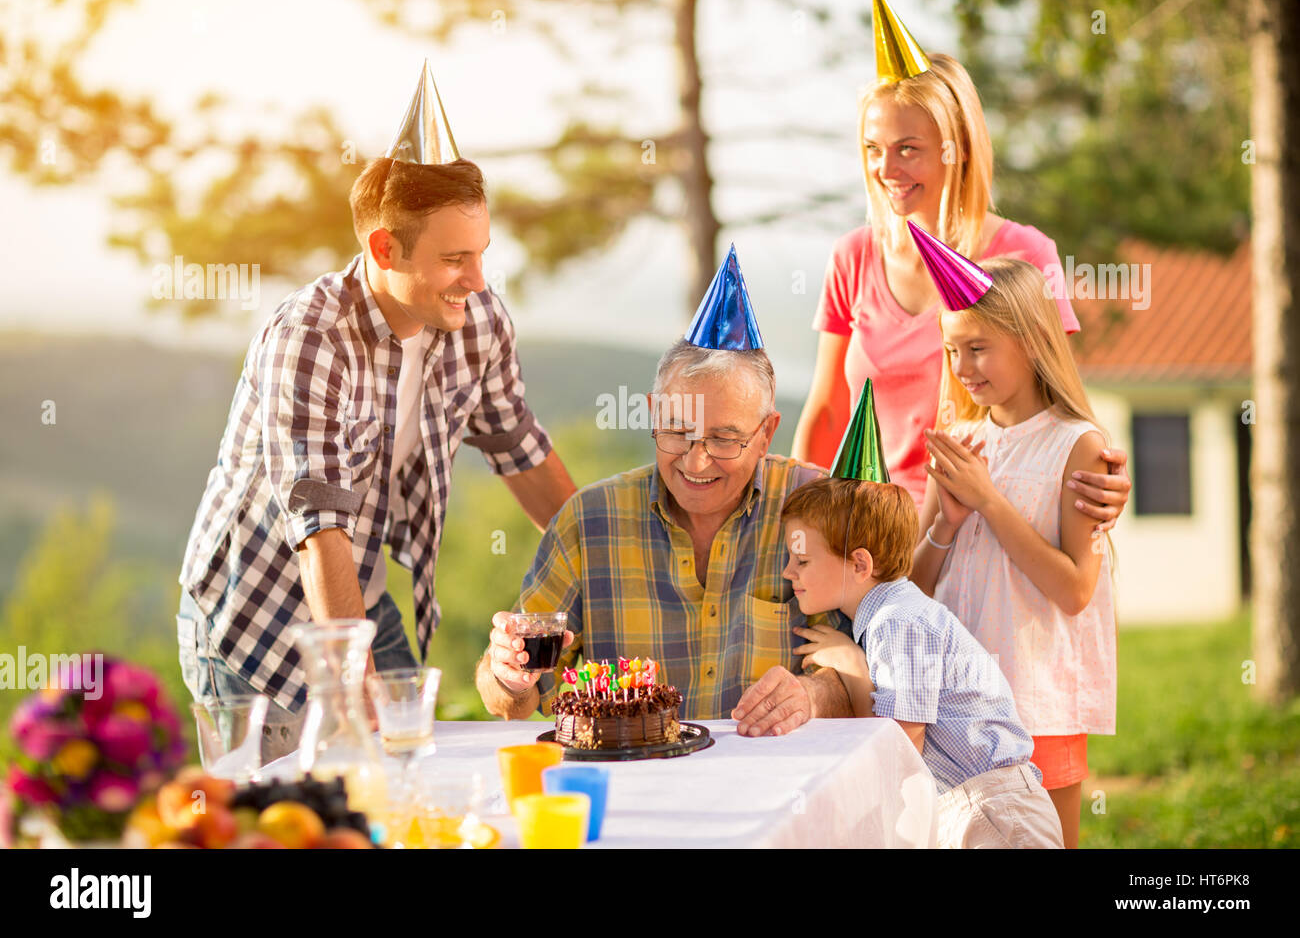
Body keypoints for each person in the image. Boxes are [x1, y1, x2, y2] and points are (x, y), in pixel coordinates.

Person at [177, 63, 576, 759]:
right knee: (289, 819)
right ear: (383, 248)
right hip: (253, 619)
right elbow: (319, 528)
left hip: (357, 593)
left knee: (412, 775)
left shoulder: (477, 320)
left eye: (482, 255)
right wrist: (349, 689)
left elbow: (522, 451)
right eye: (456, 259)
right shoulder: (309, 336)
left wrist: (603, 560)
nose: (478, 281)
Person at [790, 0, 1131, 528]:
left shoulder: (1023, 253)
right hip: (876, 544)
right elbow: (827, 411)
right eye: (874, 149)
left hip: (988, 530)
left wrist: (1103, 478)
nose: (886, 168)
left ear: (958, 148)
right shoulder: (853, 257)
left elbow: (1062, 405)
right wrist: (799, 526)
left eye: (908, 148)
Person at [476, 248, 854, 734]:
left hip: (783, 783)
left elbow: (874, 674)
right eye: (677, 431)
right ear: (653, 411)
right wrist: (508, 674)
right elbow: (510, 700)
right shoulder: (589, 521)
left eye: (723, 438)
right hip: (634, 788)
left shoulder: (818, 506)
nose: (696, 462)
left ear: (766, 433)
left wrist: (814, 694)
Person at [907, 232, 1117, 849]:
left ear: (1030, 342)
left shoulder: (1077, 443)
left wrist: (989, 501)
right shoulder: (957, 438)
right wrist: (945, 523)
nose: (962, 369)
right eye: (951, 351)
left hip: (1039, 703)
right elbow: (914, 590)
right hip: (956, 705)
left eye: (978, 348)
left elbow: (1076, 589)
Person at [782, 476, 1063, 848]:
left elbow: (902, 749)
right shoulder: (892, 615)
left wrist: (852, 666)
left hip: (993, 817)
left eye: (802, 559)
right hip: (975, 809)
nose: (789, 571)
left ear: (860, 564)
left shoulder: (898, 621)